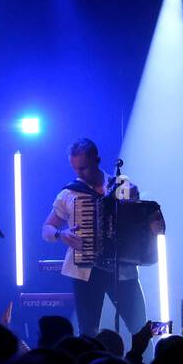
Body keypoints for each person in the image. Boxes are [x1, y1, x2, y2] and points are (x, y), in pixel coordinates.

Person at [41, 137, 148, 338]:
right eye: (75, 169)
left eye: (83, 168)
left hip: (122, 267)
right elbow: (46, 229)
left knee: (140, 327)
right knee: (88, 333)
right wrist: (60, 234)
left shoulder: (121, 185)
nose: (79, 174)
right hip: (85, 272)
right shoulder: (69, 193)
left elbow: (138, 224)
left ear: (97, 161)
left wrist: (135, 201)